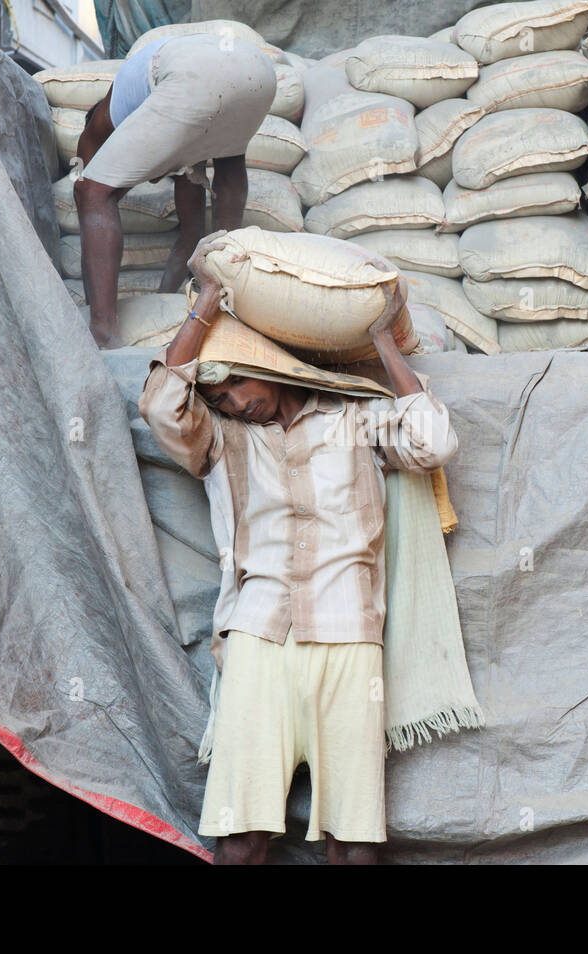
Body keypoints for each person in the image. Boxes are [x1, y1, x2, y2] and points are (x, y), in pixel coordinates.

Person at [138, 233, 459, 864]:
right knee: (239, 841)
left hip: (346, 633)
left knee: (353, 843)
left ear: (268, 365)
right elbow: (161, 404)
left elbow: (433, 441)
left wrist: (383, 344)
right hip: (259, 633)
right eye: (219, 396)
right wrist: (205, 306)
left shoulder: (355, 418)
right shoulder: (224, 438)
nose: (233, 402)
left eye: (235, 387)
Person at [74, 34, 277, 348]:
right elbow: (191, 231)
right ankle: (228, 292)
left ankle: (102, 330)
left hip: (193, 75)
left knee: (90, 193)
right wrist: (166, 296)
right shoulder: (180, 125)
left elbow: (91, 189)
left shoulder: (98, 124)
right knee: (228, 172)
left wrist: (100, 193)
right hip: (259, 71)